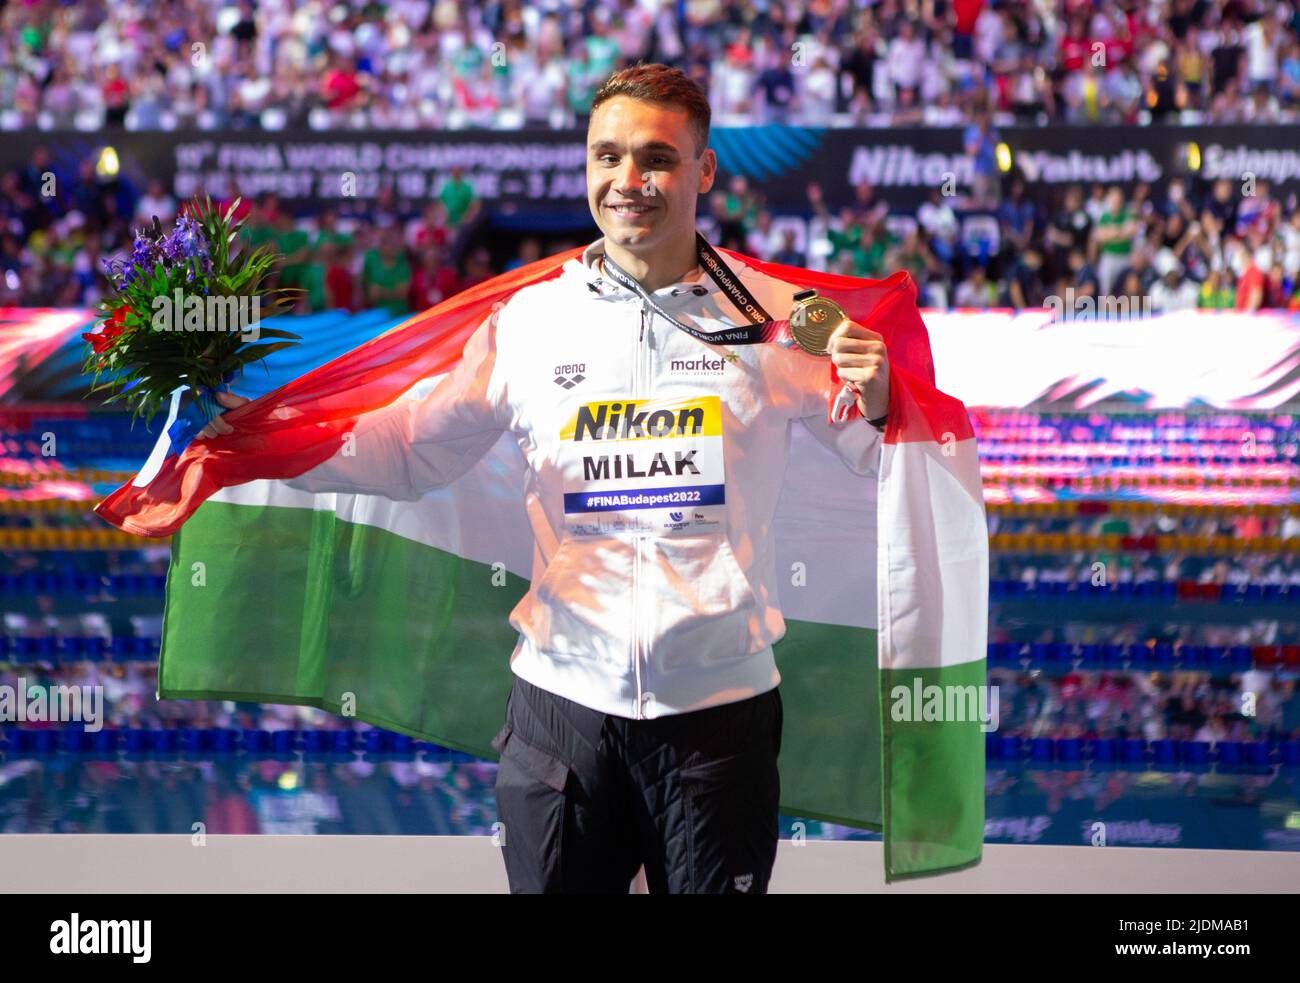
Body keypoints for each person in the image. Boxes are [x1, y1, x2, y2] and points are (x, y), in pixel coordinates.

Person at [196, 63, 890, 895]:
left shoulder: (782, 321)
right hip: (561, 713)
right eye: (607, 157)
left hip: (720, 723)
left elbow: (887, 457)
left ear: (704, 170)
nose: (627, 181)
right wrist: (264, 440)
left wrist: (883, 399)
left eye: (656, 158)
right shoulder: (529, 323)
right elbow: (410, 444)